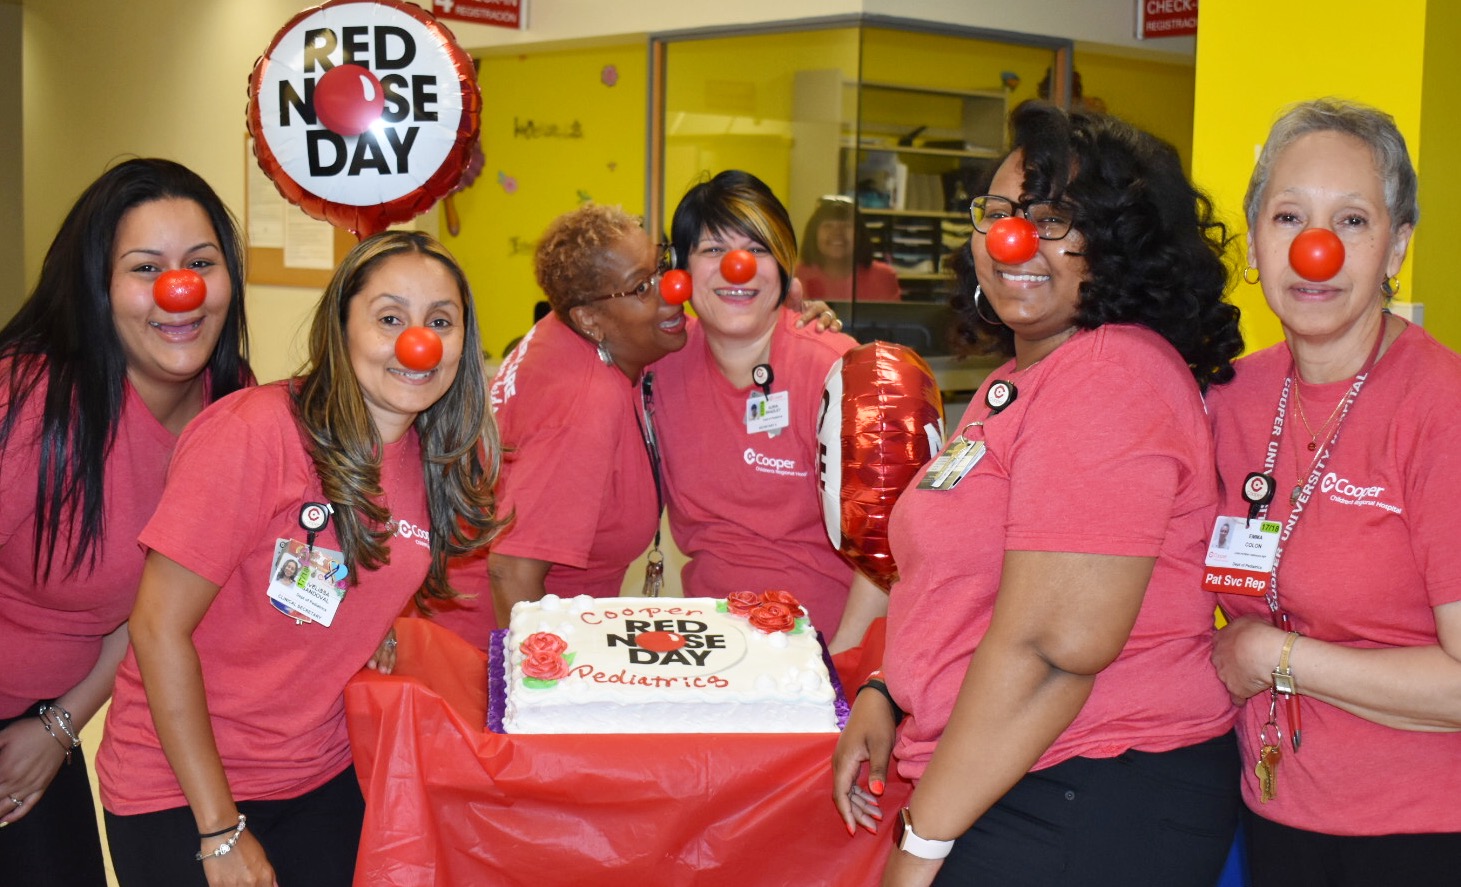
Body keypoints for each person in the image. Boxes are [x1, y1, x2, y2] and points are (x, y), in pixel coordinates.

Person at [832, 102, 1245, 886]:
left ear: (1119, 242)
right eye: (998, 214)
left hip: (1089, 784)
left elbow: (1054, 652)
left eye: (1053, 220)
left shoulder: (1107, 374)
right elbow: (966, 585)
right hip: (1014, 771)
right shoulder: (1018, 380)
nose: (1012, 240)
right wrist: (889, 687)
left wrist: (921, 843)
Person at [96, 231, 502, 887]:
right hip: (183, 785)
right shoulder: (257, 432)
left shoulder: (439, 456)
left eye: (440, 322)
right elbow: (156, 626)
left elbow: (354, 568)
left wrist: (369, 624)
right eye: (389, 318)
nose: (418, 344)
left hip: (316, 769)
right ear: (341, 328)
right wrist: (220, 828)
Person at [1208, 98, 1461, 887]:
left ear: (1397, 246)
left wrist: (1273, 655)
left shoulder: (1440, 406)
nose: (1312, 250)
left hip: (1423, 833)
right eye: (1288, 216)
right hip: (1273, 810)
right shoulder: (1227, 398)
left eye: (1350, 221)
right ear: (1256, 239)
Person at [0, 158, 251, 886]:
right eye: (147, 268)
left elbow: (155, 608)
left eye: (200, 263)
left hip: (41, 721)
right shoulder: (30, 405)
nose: (181, 289)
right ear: (98, 288)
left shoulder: (229, 407)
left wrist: (59, 725)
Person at [431, 204, 688, 646]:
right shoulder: (584, 407)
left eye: (661, 265)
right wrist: (541, 680)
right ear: (590, 319)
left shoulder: (571, 330)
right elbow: (510, 570)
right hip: (488, 650)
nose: (673, 288)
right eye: (642, 287)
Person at [657, 170, 883, 653]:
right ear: (680, 268)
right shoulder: (659, 365)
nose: (736, 267)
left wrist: (840, 669)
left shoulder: (837, 372)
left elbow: (888, 551)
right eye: (713, 249)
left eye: (757, 250)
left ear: (783, 268)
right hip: (709, 642)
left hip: (817, 649)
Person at [795, 195, 901, 303]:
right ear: (813, 235)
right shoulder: (796, 276)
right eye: (828, 226)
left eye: (846, 226)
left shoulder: (884, 277)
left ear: (859, 234)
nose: (837, 233)